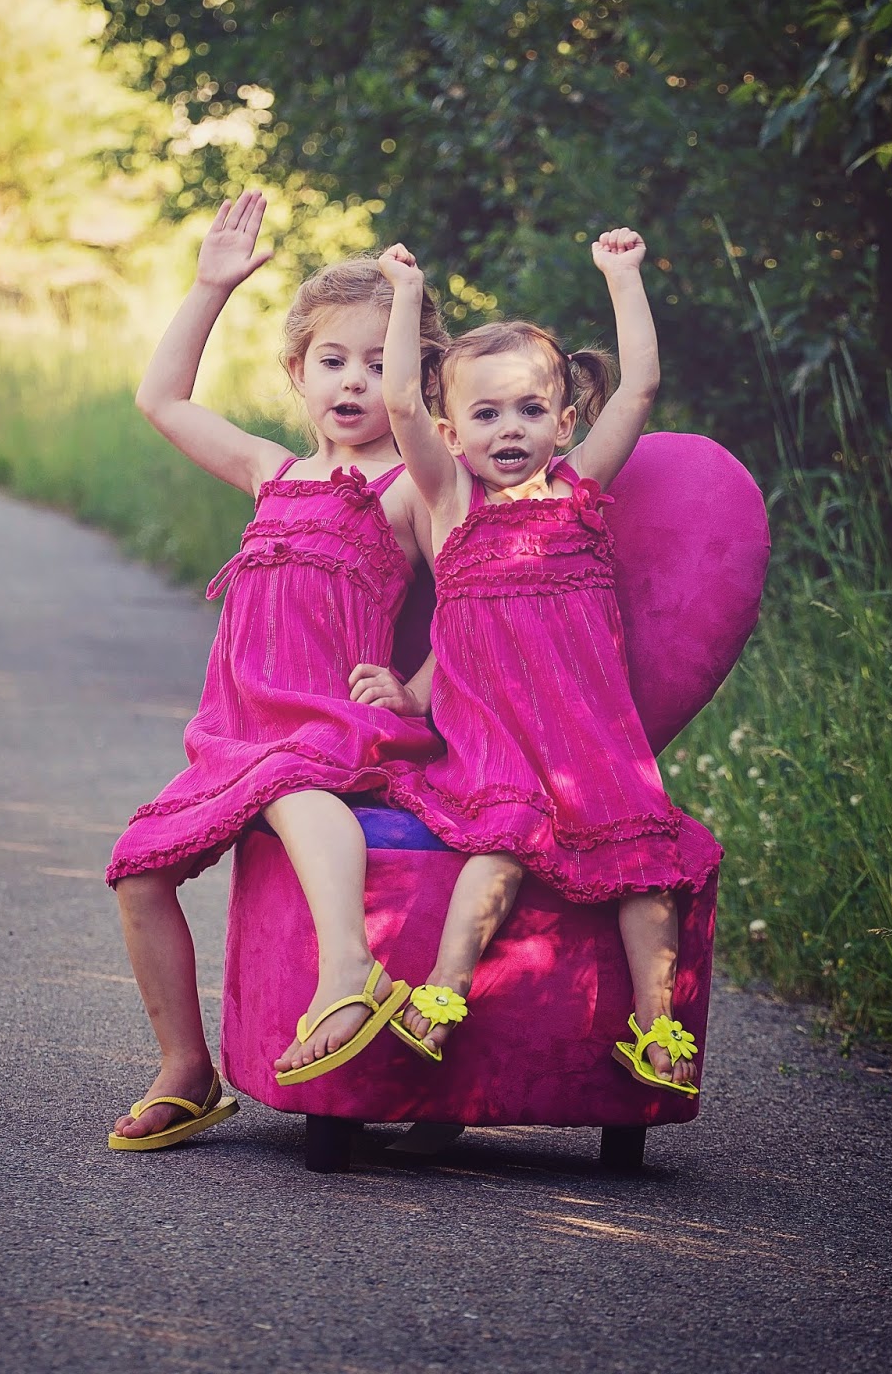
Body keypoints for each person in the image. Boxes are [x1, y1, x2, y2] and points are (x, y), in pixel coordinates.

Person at [107, 191, 447, 1151]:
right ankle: (187, 1067)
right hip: (234, 733)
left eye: (381, 367)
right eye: (333, 362)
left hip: (326, 727)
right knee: (137, 874)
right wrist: (211, 285)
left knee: (298, 793)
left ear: (416, 381)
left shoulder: (409, 490)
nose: (353, 384)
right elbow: (161, 400)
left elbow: (476, 602)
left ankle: (352, 970)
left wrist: (413, 690)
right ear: (297, 373)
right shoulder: (271, 471)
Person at [378, 229, 721, 1094]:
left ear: (564, 423)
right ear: (455, 433)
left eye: (530, 411)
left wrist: (623, 276)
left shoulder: (578, 494)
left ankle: (658, 1029)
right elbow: (402, 410)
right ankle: (442, 994)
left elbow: (639, 385)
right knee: (502, 846)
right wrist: (407, 300)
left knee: (646, 871)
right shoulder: (449, 500)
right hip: (497, 741)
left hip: (590, 742)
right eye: (486, 415)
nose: (509, 429)